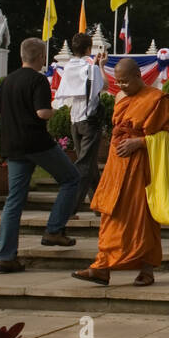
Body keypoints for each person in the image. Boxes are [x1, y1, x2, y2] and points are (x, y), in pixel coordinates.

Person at [71, 56, 169, 287]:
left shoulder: (158, 100)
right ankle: (102, 267)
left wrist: (141, 142)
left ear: (138, 77)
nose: (120, 86)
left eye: (125, 81)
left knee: (143, 218)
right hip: (116, 167)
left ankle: (147, 269)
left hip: (142, 167)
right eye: (118, 82)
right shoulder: (121, 98)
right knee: (110, 217)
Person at [0, 37, 81, 272]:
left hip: (13, 146)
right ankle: (53, 230)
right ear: (41, 57)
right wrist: (57, 111)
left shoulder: (8, 81)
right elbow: (42, 113)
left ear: (21, 56)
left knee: (14, 201)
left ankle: (5, 256)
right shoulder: (38, 80)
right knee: (71, 178)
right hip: (37, 143)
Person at [53, 32, 106, 210]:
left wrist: (96, 65)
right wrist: (101, 66)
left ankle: (99, 203)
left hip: (75, 118)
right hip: (89, 119)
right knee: (84, 164)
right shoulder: (91, 68)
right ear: (88, 49)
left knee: (89, 164)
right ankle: (70, 207)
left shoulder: (68, 67)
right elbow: (103, 86)